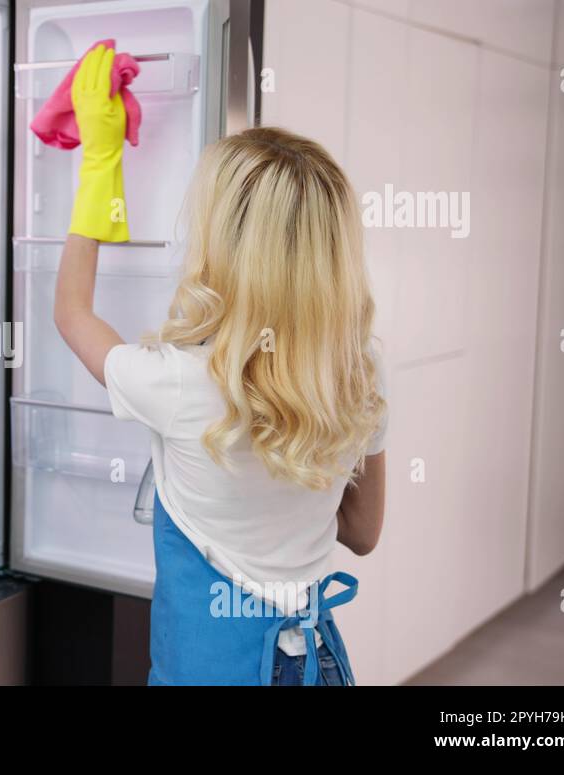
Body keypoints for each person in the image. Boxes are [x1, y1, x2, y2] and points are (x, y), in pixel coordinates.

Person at [52, 45, 387, 685]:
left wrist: (100, 166)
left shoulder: (177, 381)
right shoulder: (358, 366)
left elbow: (72, 314)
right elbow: (363, 531)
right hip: (313, 665)